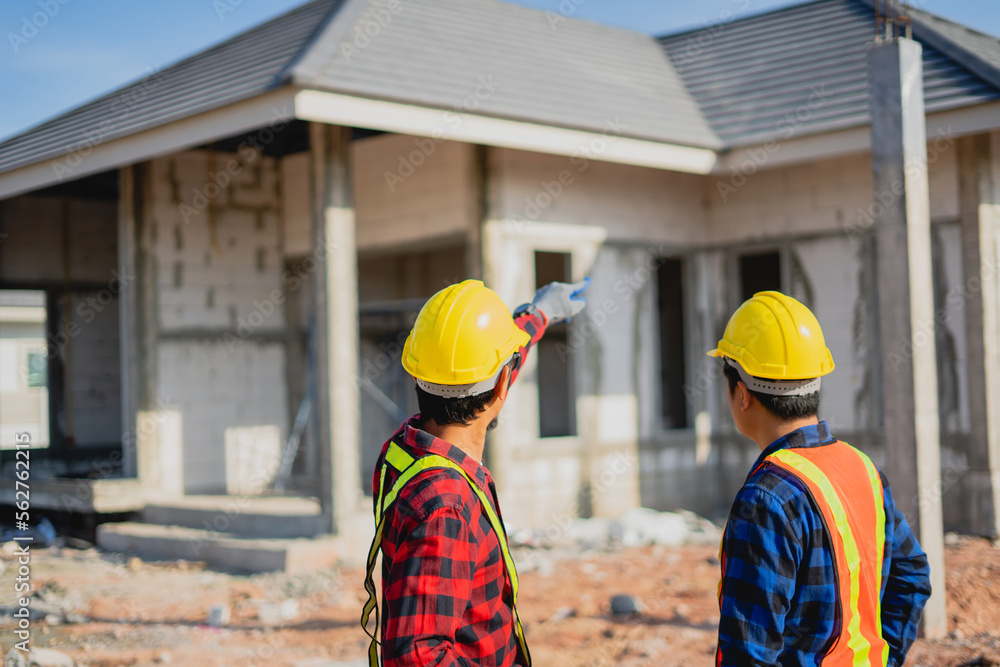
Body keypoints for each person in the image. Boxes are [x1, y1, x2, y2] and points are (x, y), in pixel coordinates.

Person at [362, 277, 590, 667]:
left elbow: (483, 377)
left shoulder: (404, 449)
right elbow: (418, 655)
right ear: (501, 388)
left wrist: (539, 314)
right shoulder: (446, 505)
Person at [709, 291, 932, 666]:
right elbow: (911, 575)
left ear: (742, 394)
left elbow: (746, 652)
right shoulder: (862, 468)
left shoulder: (766, 499)